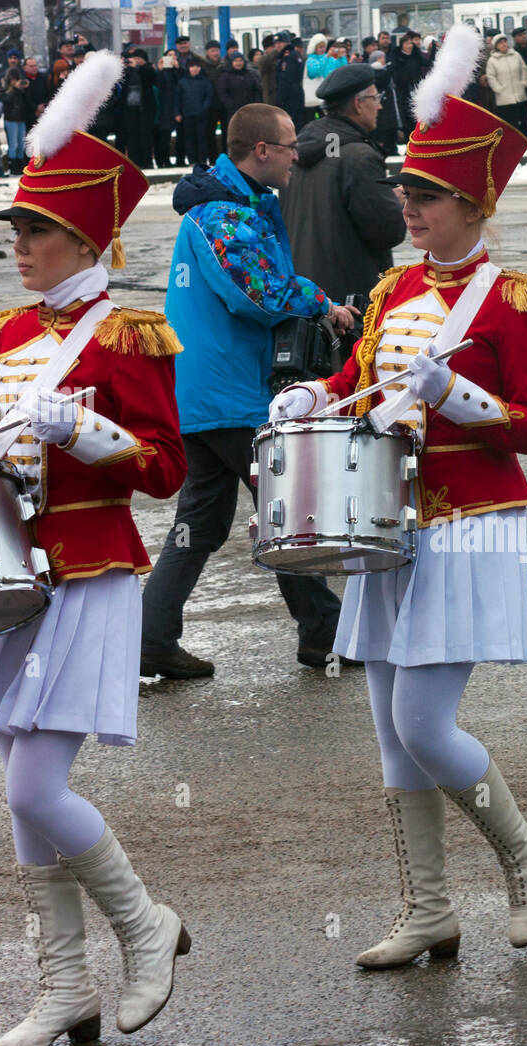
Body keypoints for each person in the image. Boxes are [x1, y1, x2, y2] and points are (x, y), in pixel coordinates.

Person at [0, 51, 190, 1046]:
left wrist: (82, 432)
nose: (17, 247)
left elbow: (163, 469)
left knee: (37, 786)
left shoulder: (132, 334)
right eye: (17, 230)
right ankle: (65, 984)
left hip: (92, 569)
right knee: (17, 790)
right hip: (11, 578)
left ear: (83, 233)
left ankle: (145, 925)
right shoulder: (11, 329)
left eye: (32, 230)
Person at [269, 25, 527, 969]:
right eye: (406, 191)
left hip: (472, 522)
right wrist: (315, 392)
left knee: (423, 724)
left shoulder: (518, 299)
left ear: (474, 202)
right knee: (390, 735)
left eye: (426, 195)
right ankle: (428, 907)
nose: (409, 205)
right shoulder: (395, 287)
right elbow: (360, 371)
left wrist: (454, 396)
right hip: (385, 525)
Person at [143, 103, 357, 678]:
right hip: (231, 393)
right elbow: (257, 292)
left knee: (202, 522)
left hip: (206, 392)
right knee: (285, 510)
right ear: (261, 150)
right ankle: (324, 632)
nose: (297, 155)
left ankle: (151, 636)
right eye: (290, 145)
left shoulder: (235, 206)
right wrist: (324, 305)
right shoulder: (223, 214)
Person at [280, 63, 406, 330]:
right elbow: (387, 231)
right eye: (375, 98)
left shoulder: (300, 150)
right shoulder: (358, 156)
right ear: (358, 104)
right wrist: (394, 203)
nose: (380, 106)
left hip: (307, 297)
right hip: (350, 306)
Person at [485, 34, 527, 141]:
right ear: (496, 46)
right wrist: (499, 89)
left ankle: (526, 141)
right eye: (500, 43)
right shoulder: (492, 60)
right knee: (509, 122)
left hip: (519, 94)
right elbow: (491, 77)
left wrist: (523, 83)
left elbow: (524, 69)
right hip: (504, 97)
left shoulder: (516, 55)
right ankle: (512, 142)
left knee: (523, 119)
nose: (504, 44)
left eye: (505, 41)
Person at [174, 59, 213, 168]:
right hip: (187, 114)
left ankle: (202, 160)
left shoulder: (205, 81)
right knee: (189, 139)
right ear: (188, 68)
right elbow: (178, 98)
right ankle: (192, 160)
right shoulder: (182, 82)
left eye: (197, 66)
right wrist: (177, 113)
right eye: (192, 66)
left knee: (202, 138)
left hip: (202, 115)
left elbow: (209, 96)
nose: (195, 69)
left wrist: (204, 109)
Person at [389, 31, 426, 139]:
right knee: (406, 116)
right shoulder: (397, 58)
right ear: (402, 45)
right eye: (407, 43)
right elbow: (396, 76)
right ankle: (407, 139)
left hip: (416, 89)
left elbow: (426, 63)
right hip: (403, 91)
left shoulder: (416, 56)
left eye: (411, 43)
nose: (410, 46)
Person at [215, 49, 263, 127]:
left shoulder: (250, 74)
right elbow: (222, 92)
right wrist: (230, 105)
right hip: (233, 111)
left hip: (250, 110)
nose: (238, 63)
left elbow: (256, 90)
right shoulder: (226, 76)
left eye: (240, 60)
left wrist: (255, 104)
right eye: (236, 61)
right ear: (232, 62)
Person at [367, 51, 400, 157]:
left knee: (390, 130)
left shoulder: (384, 70)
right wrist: (390, 68)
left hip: (389, 106)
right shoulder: (375, 71)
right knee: (383, 130)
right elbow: (383, 80)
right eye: (381, 58)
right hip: (382, 106)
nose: (384, 60)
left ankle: (392, 148)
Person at [0, 66, 30, 173]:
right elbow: (6, 100)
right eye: (13, 79)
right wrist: (14, 89)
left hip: (21, 119)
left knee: (21, 144)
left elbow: (26, 101)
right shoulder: (4, 90)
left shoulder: (20, 90)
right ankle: (13, 167)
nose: (15, 81)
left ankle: (21, 165)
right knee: (13, 144)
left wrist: (24, 89)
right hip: (11, 119)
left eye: (16, 79)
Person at [155, 50, 181, 166]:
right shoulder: (162, 73)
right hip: (165, 109)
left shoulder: (178, 71)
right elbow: (159, 87)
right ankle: (163, 161)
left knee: (180, 135)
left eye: (174, 55)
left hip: (178, 107)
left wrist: (178, 69)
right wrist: (160, 70)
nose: (172, 58)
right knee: (164, 137)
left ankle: (179, 160)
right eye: (169, 56)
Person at [276, 36, 306, 129]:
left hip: (290, 97)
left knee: (291, 124)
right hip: (297, 94)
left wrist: (280, 99)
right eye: (276, 43)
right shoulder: (295, 55)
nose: (277, 46)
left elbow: (286, 79)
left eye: (280, 43)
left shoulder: (288, 57)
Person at [23, 56, 50, 128]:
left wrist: (44, 106)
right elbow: (24, 97)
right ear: (25, 68)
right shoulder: (23, 79)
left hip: (44, 113)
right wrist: (35, 108)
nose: (34, 68)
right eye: (31, 66)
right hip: (29, 115)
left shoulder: (43, 77)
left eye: (35, 65)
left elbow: (49, 93)